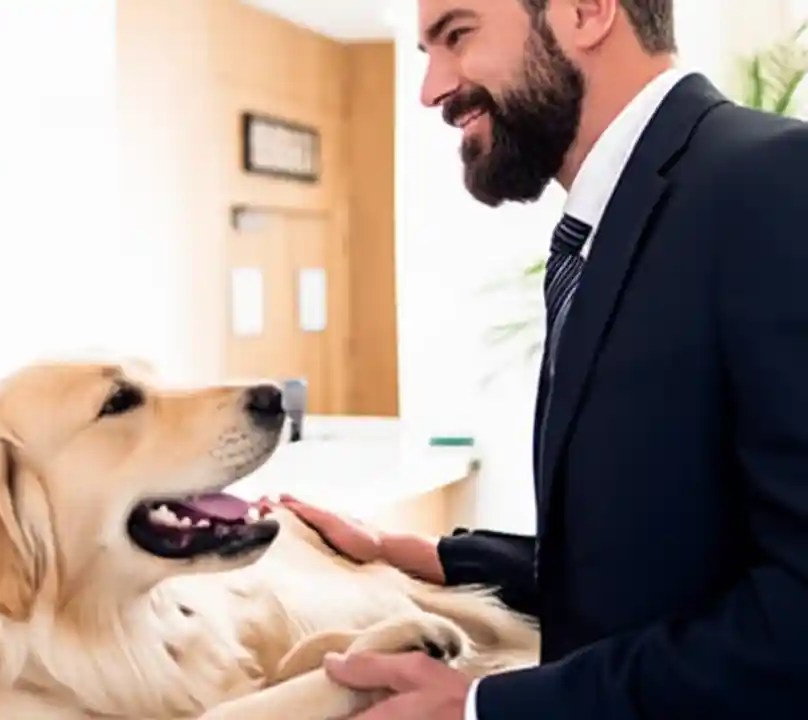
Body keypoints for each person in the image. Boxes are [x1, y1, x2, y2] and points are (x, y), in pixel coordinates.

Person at [282, 0, 808, 718]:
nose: (431, 89)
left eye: (458, 35)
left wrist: (485, 707)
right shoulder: (619, 224)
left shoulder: (775, 182)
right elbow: (664, 564)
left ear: (589, 11)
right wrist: (429, 556)